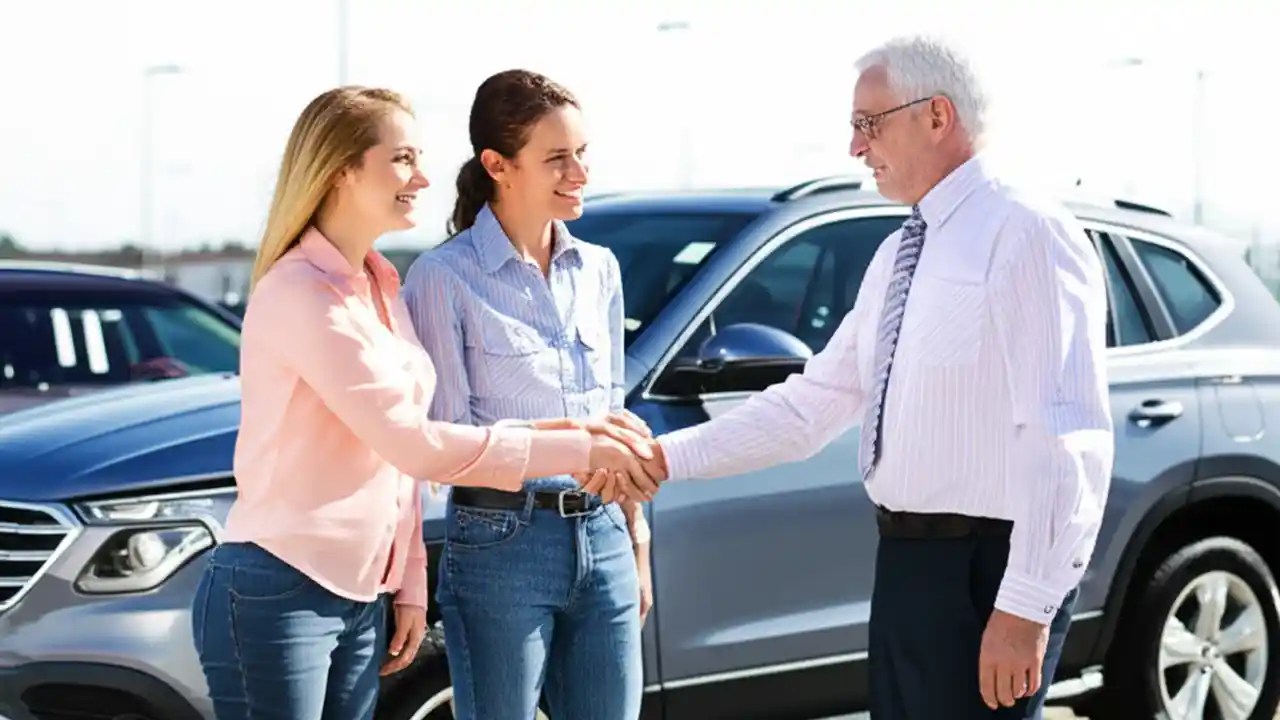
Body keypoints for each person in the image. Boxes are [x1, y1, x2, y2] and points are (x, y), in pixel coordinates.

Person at [639, 36, 1114, 719]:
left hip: (988, 573)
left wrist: (1025, 607)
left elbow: (1065, 433)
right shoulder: (898, 252)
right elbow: (813, 404)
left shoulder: (1026, 232)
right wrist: (660, 457)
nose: (856, 148)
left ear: (937, 116)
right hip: (908, 566)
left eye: (869, 123)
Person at [189, 85, 655, 720]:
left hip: (359, 591)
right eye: (403, 158)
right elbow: (416, 440)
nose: (424, 177)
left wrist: (407, 580)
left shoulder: (379, 284)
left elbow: (395, 467)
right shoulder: (301, 293)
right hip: (280, 581)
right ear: (342, 170)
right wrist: (581, 444)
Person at [400, 69, 653, 720]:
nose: (580, 173)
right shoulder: (442, 279)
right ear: (499, 165)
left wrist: (636, 540)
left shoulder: (599, 270)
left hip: (603, 536)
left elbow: (613, 415)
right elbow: (446, 445)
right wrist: (564, 446)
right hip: (499, 543)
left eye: (583, 153)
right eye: (557, 158)